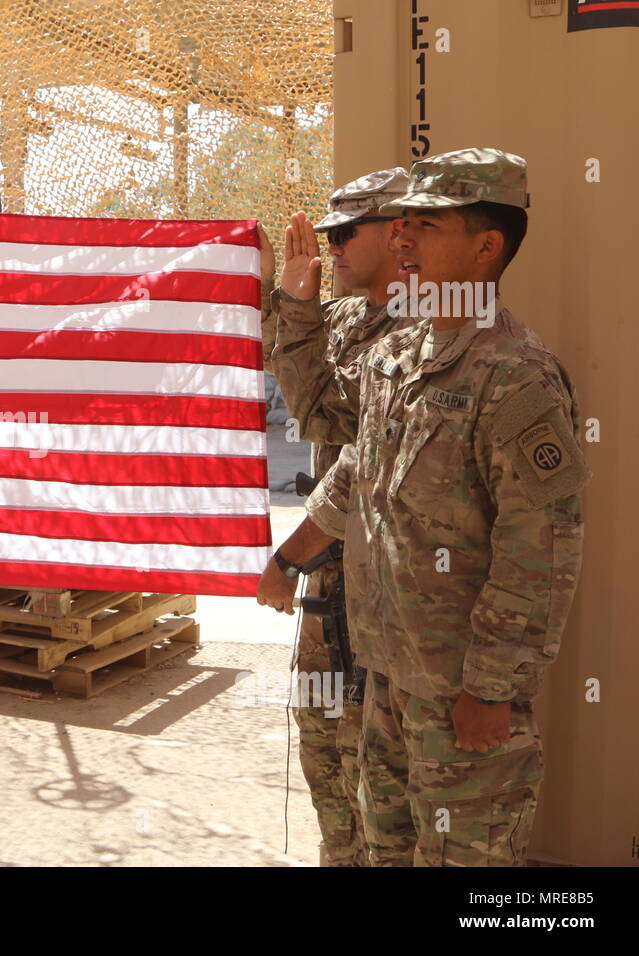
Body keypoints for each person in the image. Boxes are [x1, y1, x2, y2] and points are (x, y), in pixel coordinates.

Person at [257, 147, 589, 866]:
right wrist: (290, 556)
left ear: (486, 247)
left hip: (457, 696)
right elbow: (355, 470)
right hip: (385, 680)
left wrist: (491, 689)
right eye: (401, 223)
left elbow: (540, 549)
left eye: (427, 225)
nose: (402, 237)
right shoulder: (397, 355)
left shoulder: (515, 376)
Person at [258, 167, 410, 867]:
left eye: (347, 232)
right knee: (324, 761)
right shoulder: (345, 315)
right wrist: (278, 293)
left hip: (383, 594)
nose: (333, 247)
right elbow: (292, 376)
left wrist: (287, 557)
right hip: (329, 587)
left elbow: (330, 425)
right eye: (329, 233)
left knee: (376, 782)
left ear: (399, 234)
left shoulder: (421, 331)